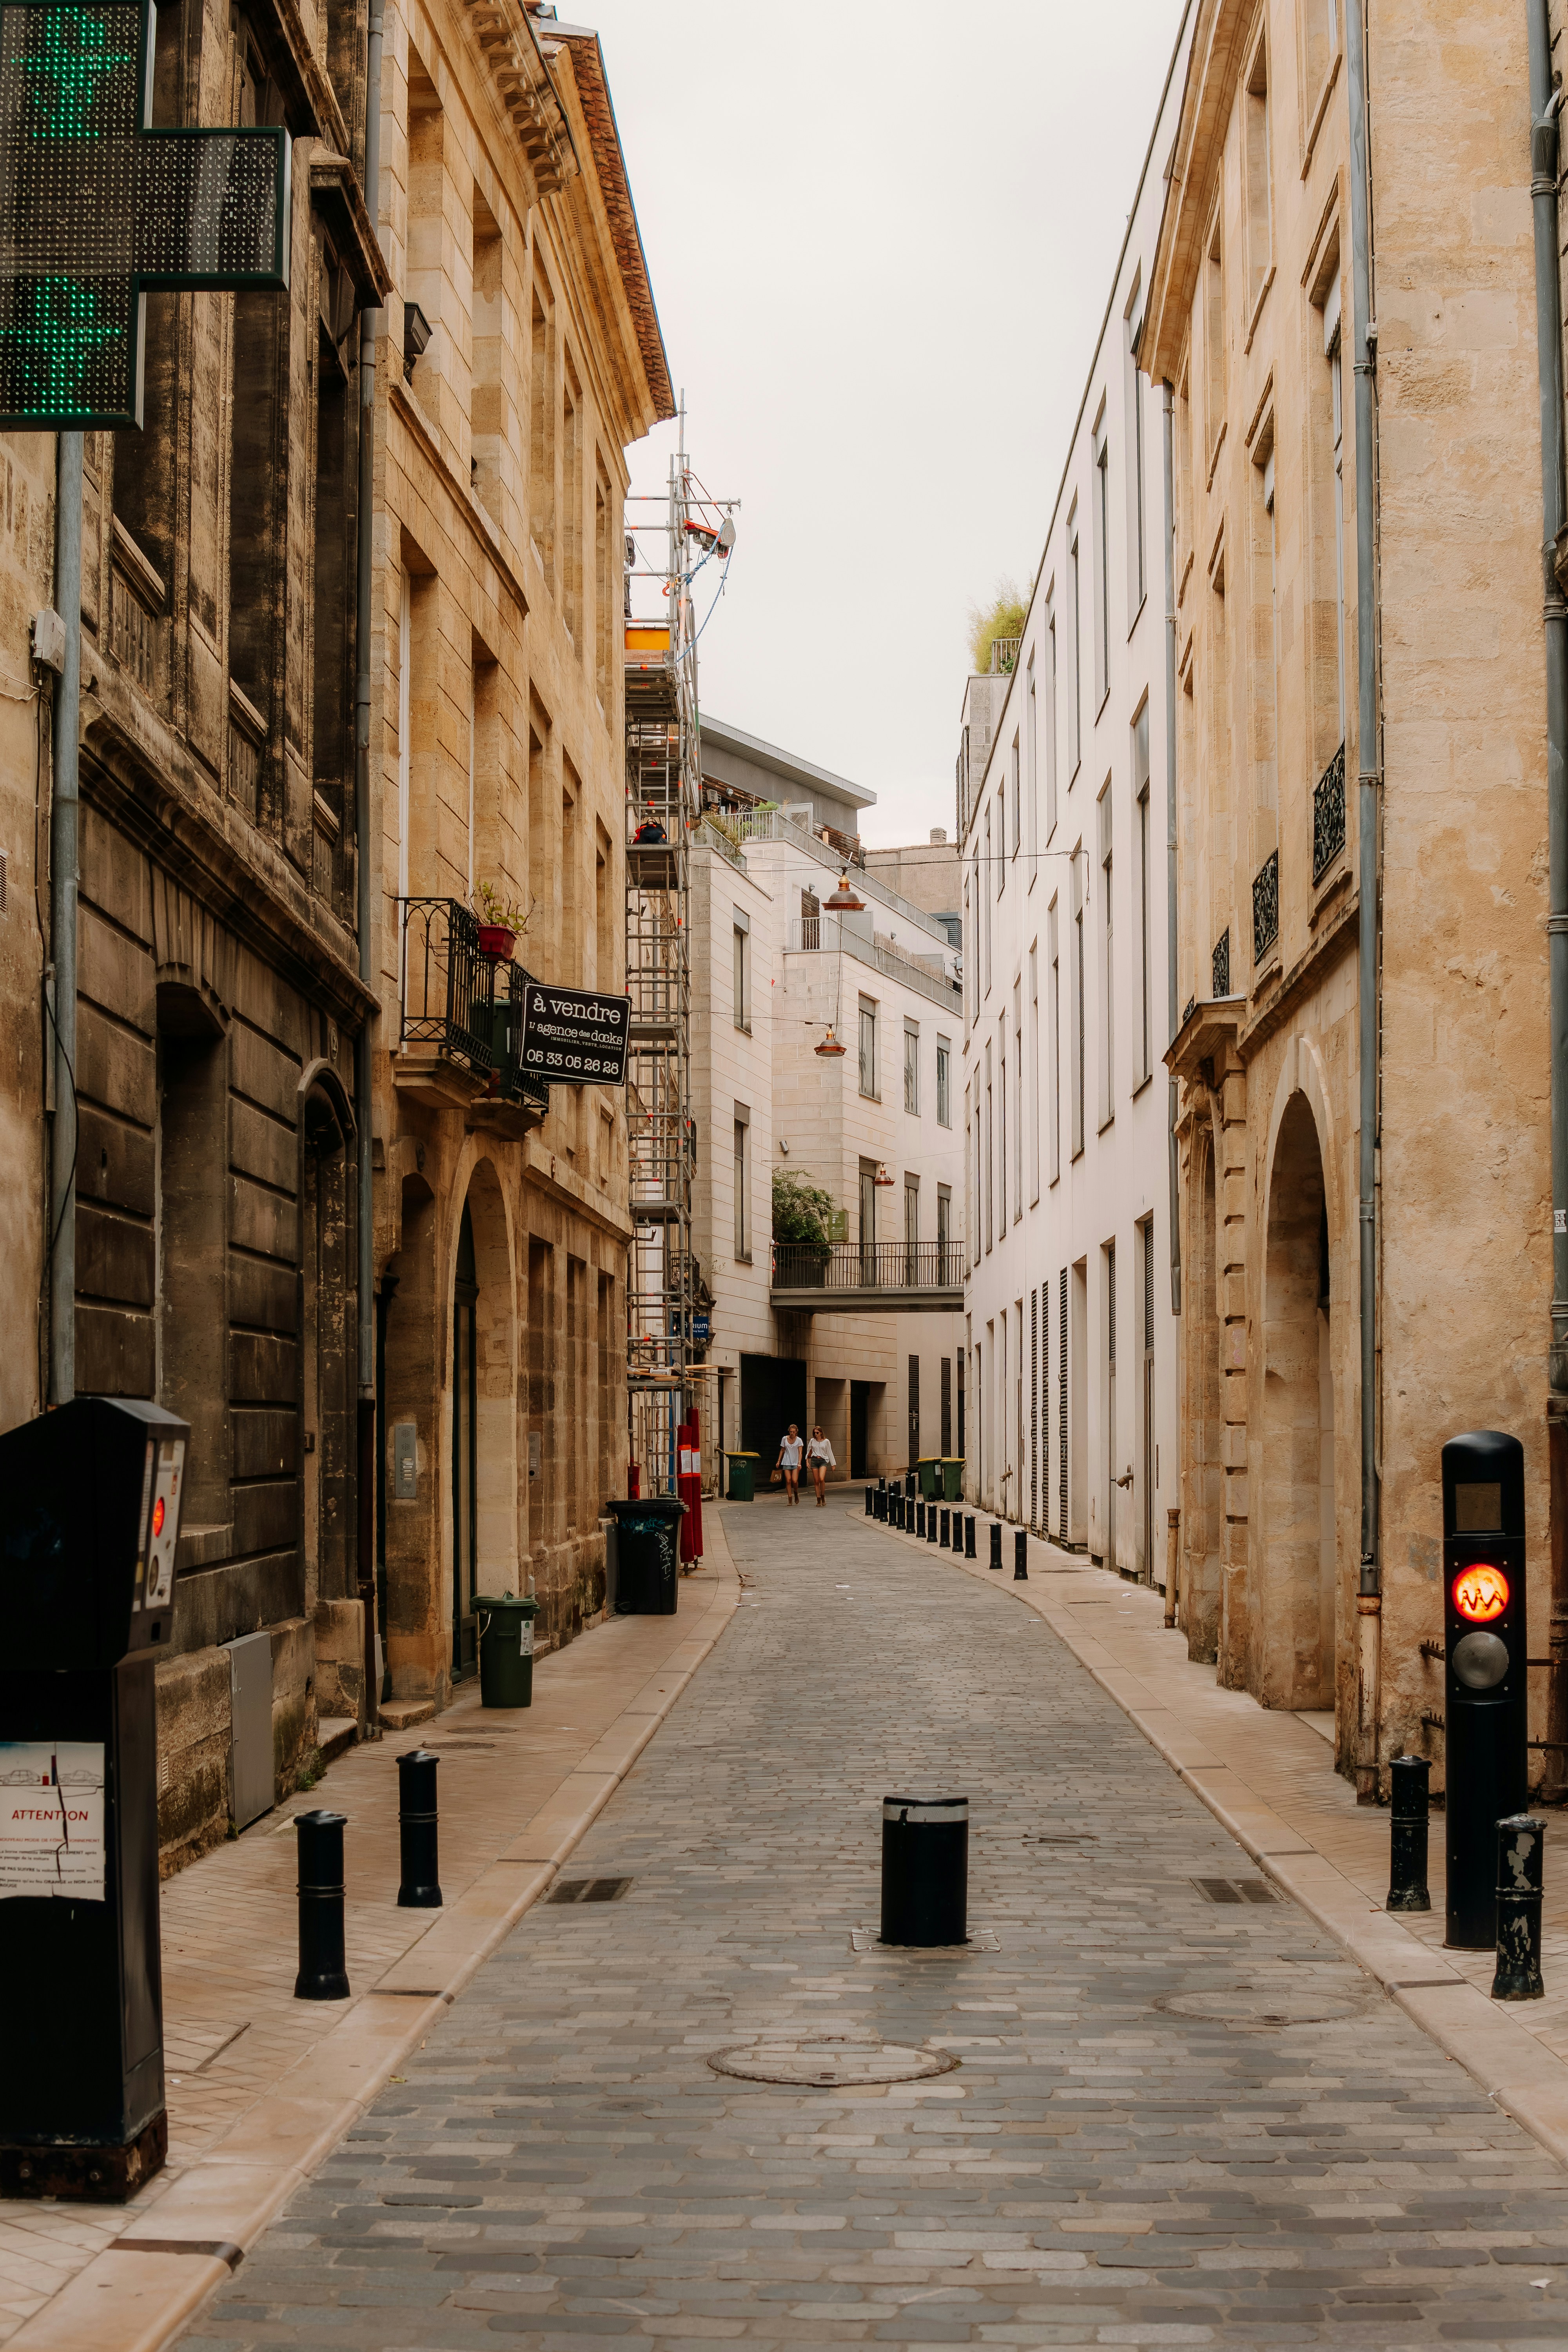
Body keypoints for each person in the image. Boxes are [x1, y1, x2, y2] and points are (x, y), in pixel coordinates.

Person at [805, 1425, 835, 1506]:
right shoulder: (812, 1441)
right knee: (816, 1481)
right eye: (814, 1433)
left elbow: (830, 1452)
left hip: (823, 1461)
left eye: (817, 1433)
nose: (816, 1434)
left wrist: (833, 1464)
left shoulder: (826, 1441)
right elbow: (809, 1451)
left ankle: (823, 1496)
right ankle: (818, 1499)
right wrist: (807, 1461)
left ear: (821, 1433)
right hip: (814, 1460)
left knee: (822, 1479)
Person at [775, 1422, 804, 1504]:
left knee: (794, 1481)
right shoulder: (785, 1439)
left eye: (794, 1432)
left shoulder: (799, 1440)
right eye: (791, 1432)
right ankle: (790, 1498)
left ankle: (796, 1492)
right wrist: (779, 1461)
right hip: (787, 1461)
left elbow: (800, 1452)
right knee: (788, 1481)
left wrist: (799, 1463)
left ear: (796, 1432)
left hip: (795, 1463)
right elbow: (782, 1450)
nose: (792, 1433)